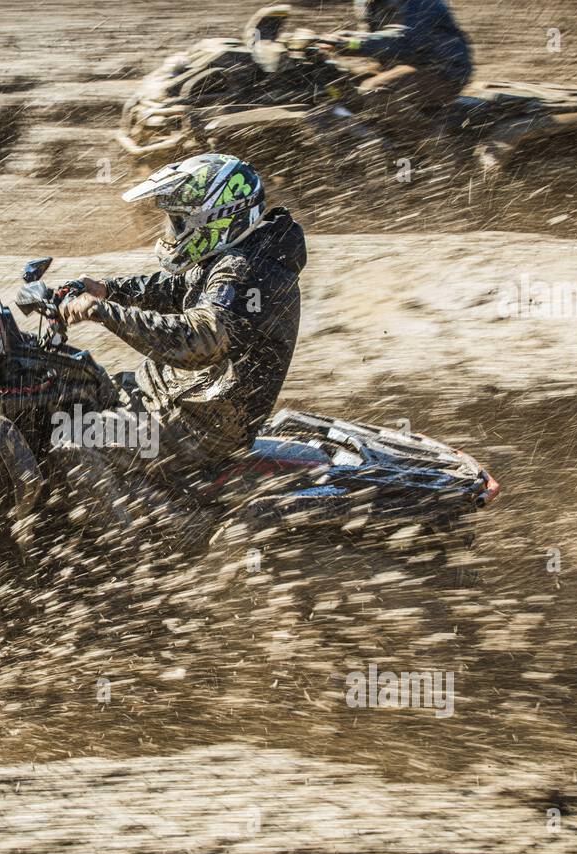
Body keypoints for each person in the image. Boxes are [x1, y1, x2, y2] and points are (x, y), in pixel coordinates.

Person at [54, 153, 306, 529]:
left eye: (179, 221)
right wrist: (107, 290)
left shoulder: (245, 272)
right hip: (182, 398)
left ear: (216, 217)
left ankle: (140, 547)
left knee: (73, 438)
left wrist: (102, 312)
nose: (172, 232)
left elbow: (198, 340)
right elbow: (177, 288)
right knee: (74, 389)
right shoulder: (240, 253)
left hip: (204, 424)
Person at [325, 0, 473, 132]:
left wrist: (352, 43)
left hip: (443, 71)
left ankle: (435, 144)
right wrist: (336, 38)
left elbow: (404, 40)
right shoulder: (367, 3)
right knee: (342, 83)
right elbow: (373, 38)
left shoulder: (421, 3)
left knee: (371, 90)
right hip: (405, 66)